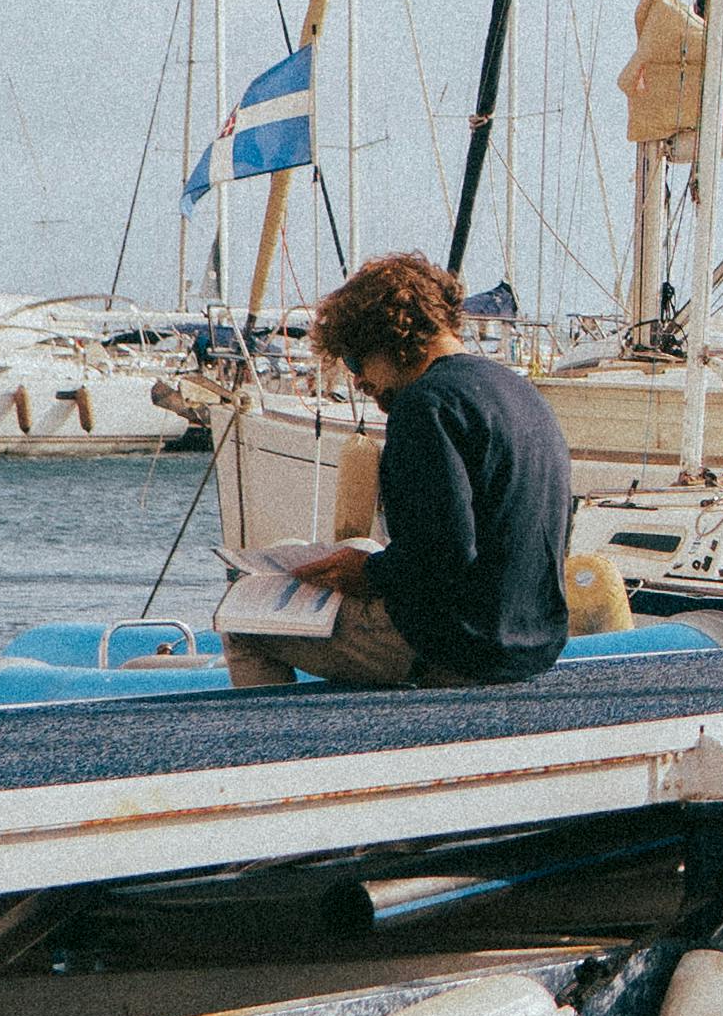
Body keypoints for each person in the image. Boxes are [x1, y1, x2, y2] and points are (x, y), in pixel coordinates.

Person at [223, 252, 576, 693]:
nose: (358, 381)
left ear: (388, 336)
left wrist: (366, 573)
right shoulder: (520, 393)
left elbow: (443, 556)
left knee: (244, 626)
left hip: (464, 645)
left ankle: (267, 756)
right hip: (538, 640)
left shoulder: (424, 406)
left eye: (355, 362)